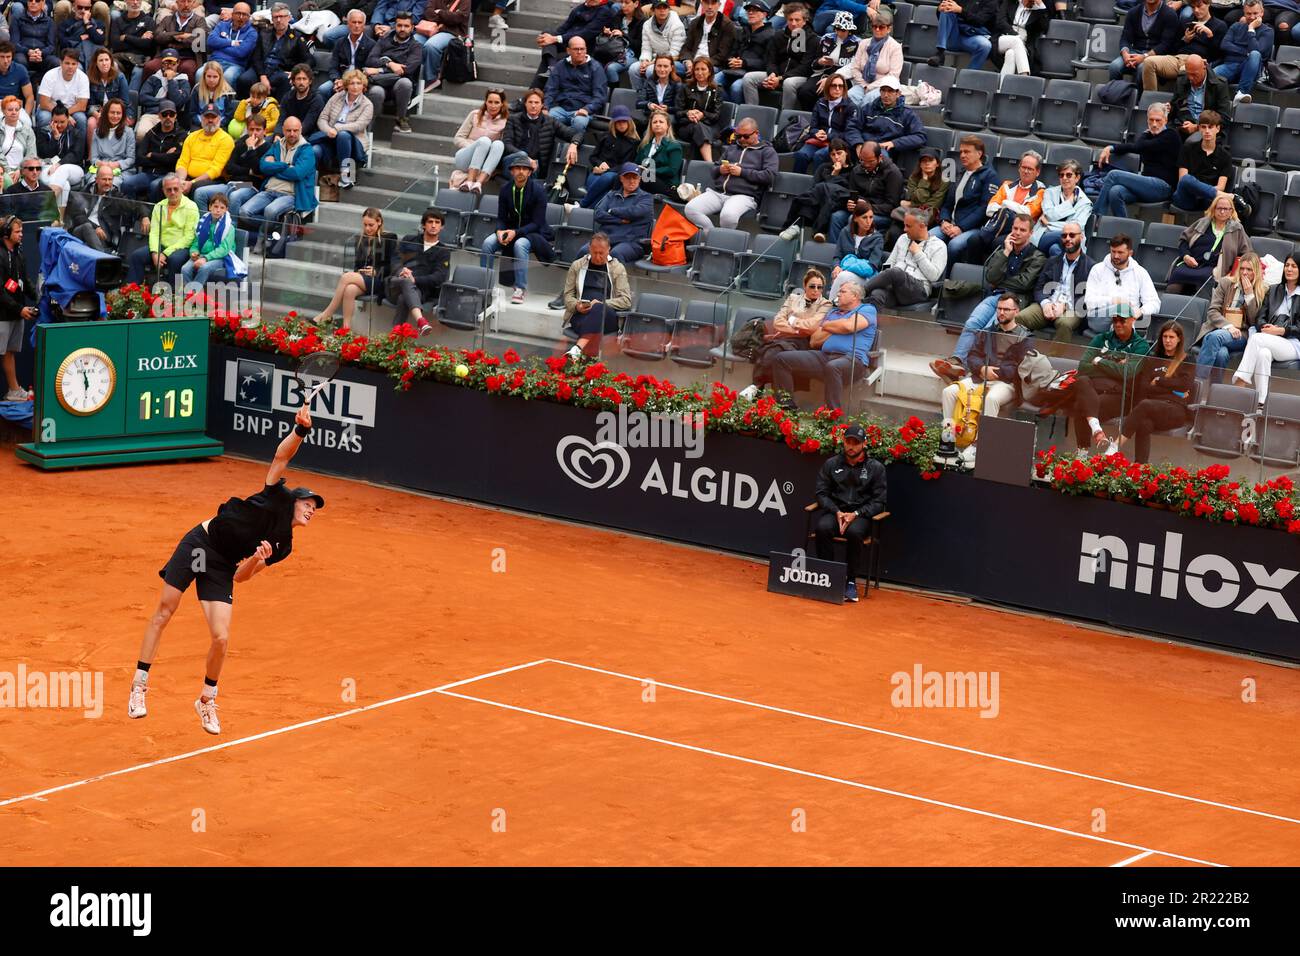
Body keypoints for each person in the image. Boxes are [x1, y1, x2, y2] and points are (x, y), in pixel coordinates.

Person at [129, 398, 324, 735]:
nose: (311, 510)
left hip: (222, 566)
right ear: (294, 501)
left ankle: (206, 700)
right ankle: (139, 685)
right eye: (308, 504)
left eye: (315, 509)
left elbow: (240, 577)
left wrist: (255, 559)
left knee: (221, 637)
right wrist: (300, 431)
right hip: (200, 544)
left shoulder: (284, 546)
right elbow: (282, 456)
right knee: (165, 610)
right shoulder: (278, 495)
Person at [931, 214, 1046, 382]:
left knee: (987, 329)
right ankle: (957, 362)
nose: (1017, 233)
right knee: (973, 323)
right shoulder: (1003, 250)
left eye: (1023, 230)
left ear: (1030, 233)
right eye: (1015, 228)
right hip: (996, 296)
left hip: (1016, 300)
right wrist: (1006, 252)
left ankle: (972, 368)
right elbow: (991, 277)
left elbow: (1024, 283)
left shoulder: (1038, 256)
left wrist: (1000, 281)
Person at [771, 278, 877, 412]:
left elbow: (850, 326)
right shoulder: (833, 312)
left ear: (855, 296)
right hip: (825, 357)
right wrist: (838, 327)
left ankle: (831, 416)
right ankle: (786, 406)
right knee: (781, 359)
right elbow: (814, 340)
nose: (838, 294)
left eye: (842, 291)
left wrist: (827, 326)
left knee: (833, 367)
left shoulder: (867, 309)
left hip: (853, 360)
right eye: (839, 291)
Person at [810, 421, 887, 604]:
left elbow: (879, 502)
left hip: (860, 516)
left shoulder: (876, 468)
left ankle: (850, 581)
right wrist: (836, 511)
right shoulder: (831, 464)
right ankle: (828, 575)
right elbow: (821, 493)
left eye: (856, 442)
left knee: (854, 533)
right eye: (848, 442)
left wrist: (857, 514)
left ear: (864, 444)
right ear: (843, 442)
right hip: (835, 512)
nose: (851, 446)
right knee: (822, 528)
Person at [939, 293, 1032, 441]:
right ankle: (949, 439)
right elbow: (972, 356)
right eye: (999, 309)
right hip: (980, 377)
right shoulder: (988, 332)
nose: (1001, 312)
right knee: (949, 392)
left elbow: (1021, 368)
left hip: (1006, 384)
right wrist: (982, 369)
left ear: (1016, 311)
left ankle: (981, 445)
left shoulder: (1025, 337)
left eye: (1006, 309)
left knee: (991, 399)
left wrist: (996, 372)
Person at [1066, 308, 1154, 452]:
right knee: (1082, 380)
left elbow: (1129, 373)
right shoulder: (1101, 338)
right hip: (1094, 390)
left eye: (1122, 320)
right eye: (1115, 320)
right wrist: (1115, 367)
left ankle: (1082, 454)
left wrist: (1100, 361)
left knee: (1081, 406)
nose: (1118, 324)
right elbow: (1083, 366)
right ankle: (1096, 430)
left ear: (1132, 320)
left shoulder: (1141, 345)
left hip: (1121, 396)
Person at [738, 268, 833, 400]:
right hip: (785, 337)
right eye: (812, 286)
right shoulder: (793, 298)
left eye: (820, 287)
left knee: (773, 352)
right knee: (768, 351)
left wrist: (792, 320)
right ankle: (770, 397)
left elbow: (812, 326)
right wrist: (797, 330)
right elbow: (778, 322)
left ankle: (757, 387)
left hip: (803, 343)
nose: (816, 290)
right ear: (805, 286)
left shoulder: (825, 304)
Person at [1108, 320, 1196, 460]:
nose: (1167, 340)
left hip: (1175, 410)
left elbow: (1184, 384)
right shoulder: (1152, 359)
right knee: (1144, 423)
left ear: (1179, 339)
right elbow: (1145, 387)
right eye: (1165, 337)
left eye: (1171, 337)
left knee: (1145, 405)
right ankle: (1140, 468)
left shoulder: (1187, 359)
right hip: (1152, 408)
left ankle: (1114, 447)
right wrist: (1171, 388)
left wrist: (1159, 381)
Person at [480, 150, 555, 305]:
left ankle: (520, 288)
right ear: (512, 171)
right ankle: (484, 285)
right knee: (488, 243)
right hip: (509, 229)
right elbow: (501, 217)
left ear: (529, 172)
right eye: (518, 168)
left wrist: (516, 232)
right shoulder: (505, 189)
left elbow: (538, 222)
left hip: (532, 233)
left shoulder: (539, 191)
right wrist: (500, 231)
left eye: (524, 169)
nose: (521, 171)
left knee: (520, 245)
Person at [683, 115, 777, 231]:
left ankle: (720, 239)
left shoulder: (767, 151)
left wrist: (742, 172)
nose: (742, 139)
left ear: (756, 133)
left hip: (744, 196)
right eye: (738, 136)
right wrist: (720, 169)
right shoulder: (732, 148)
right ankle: (712, 235)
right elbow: (713, 170)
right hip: (718, 193)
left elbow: (769, 176)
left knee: (728, 216)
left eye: (746, 136)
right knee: (691, 208)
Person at [310, 206, 397, 331]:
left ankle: (327, 314)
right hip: (364, 279)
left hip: (380, 280)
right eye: (365, 225)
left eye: (371, 225)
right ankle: (346, 329)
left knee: (345, 277)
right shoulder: (360, 239)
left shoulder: (389, 238)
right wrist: (359, 272)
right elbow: (357, 265)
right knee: (350, 289)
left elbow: (394, 265)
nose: (367, 228)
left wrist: (376, 271)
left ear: (379, 222)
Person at [1230, 256, 1300, 407]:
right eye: (1287, 265)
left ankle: (1240, 382)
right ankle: (1261, 402)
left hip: (1293, 344)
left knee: (1256, 339)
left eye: (1294, 266)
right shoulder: (1274, 289)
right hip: (1269, 337)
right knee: (1263, 354)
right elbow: (1259, 317)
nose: (1288, 269)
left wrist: (1281, 331)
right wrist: (1265, 328)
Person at [960, 148, 1045, 265]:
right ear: (1019, 168)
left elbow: (1027, 213)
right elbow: (990, 209)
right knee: (974, 240)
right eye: (1024, 167)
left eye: (1030, 169)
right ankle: (972, 275)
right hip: (995, 226)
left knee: (999, 244)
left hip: (1019, 232)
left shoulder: (1041, 191)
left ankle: (990, 279)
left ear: (1037, 172)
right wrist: (1012, 210)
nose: (1026, 171)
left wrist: (1005, 204)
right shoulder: (1007, 185)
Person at [1093, 103, 1181, 218]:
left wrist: (1145, 133)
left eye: (1158, 120)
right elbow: (1135, 146)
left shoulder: (1171, 135)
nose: (1154, 124)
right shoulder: (1149, 136)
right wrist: (1111, 148)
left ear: (1165, 120)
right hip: (1145, 186)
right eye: (1151, 120)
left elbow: (1140, 146)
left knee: (1114, 175)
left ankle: (1095, 217)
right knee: (1115, 191)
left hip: (1163, 187)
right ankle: (1122, 231)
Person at [243, 114, 316, 250]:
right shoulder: (277, 145)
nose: (292, 134)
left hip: (290, 194)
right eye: (288, 130)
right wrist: (285, 165)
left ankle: (261, 238)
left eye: (295, 130)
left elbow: (297, 173)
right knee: (244, 212)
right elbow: (263, 167)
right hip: (269, 190)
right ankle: (274, 226)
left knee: (270, 211)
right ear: (283, 130)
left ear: (301, 130)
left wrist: (275, 166)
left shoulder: (307, 150)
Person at [557, 231, 633, 360]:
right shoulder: (577, 266)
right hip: (581, 315)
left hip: (607, 317)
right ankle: (588, 365)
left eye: (601, 253)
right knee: (594, 317)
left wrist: (602, 303)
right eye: (594, 252)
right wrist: (577, 305)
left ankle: (578, 348)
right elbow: (568, 295)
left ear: (608, 250)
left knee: (598, 309)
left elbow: (626, 300)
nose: (598, 257)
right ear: (589, 249)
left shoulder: (617, 268)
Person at [930, 133, 998, 271]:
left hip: (973, 228)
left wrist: (961, 227)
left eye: (967, 152)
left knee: (954, 246)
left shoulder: (990, 176)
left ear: (979, 154)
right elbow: (947, 204)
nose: (962, 155)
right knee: (928, 238)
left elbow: (984, 209)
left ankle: (948, 281)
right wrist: (944, 221)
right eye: (961, 152)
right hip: (950, 224)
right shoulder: (960, 174)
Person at [1016, 221, 1090, 346]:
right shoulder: (1052, 261)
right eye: (1064, 236)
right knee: (1020, 317)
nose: (1067, 239)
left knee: (1064, 324)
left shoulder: (1090, 266)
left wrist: (1065, 306)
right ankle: (1018, 354)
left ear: (1081, 237)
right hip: (1047, 303)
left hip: (1072, 308)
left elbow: (1088, 297)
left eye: (1072, 235)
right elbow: (1039, 287)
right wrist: (1045, 304)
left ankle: (1054, 361)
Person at [1197, 250, 1267, 379]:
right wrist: (1228, 326)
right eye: (1242, 269)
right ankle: (1215, 390)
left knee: (1215, 337)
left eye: (1249, 270)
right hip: (1220, 328)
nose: (1244, 273)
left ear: (1256, 272)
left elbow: (1254, 322)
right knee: (1221, 354)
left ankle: (1197, 383)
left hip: (1242, 334)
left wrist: (1249, 295)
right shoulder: (1225, 283)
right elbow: (1213, 310)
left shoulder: (1263, 291)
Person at [861, 208, 947, 310]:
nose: (904, 229)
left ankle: (859, 291)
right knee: (877, 294)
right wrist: (882, 281)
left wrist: (918, 254)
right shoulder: (903, 238)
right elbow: (889, 263)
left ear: (922, 226)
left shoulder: (939, 246)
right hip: (896, 286)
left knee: (896, 272)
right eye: (904, 225)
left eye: (908, 226)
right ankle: (867, 321)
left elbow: (934, 276)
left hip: (918, 290)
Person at [1165, 193, 1251, 294]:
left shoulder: (1237, 228)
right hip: (1191, 264)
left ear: (1231, 211)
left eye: (1226, 209)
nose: (1222, 211)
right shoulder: (1202, 223)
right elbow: (1184, 241)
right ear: (1213, 209)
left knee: (1204, 283)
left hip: (1214, 268)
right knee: (1174, 283)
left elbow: (1246, 253)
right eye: (1219, 208)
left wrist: (1232, 272)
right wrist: (1186, 256)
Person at [740, 1, 816, 108]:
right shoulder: (779, 35)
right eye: (790, 20)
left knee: (789, 83)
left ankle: (785, 118)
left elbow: (805, 67)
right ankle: (753, 112)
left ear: (804, 21)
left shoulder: (812, 39)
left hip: (799, 77)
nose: (793, 23)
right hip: (777, 75)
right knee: (749, 78)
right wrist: (772, 74)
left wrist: (780, 78)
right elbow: (771, 59)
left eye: (797, 20)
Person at [127, 171, 197, 283]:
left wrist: (165, 253)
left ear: (181, 188)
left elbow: (189, 237)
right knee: (137, 256)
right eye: (169, 189)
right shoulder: (159, 206)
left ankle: (172, 295)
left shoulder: (191, 207)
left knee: (174, 260)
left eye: (175, 189)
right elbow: (154, 233)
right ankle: (132, 292)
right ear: (163, 191)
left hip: (181, 248)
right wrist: (155, 253)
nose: (172, 192)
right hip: (161, 246)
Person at [388, 206, 448, 334]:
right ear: (423, 225)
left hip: (419, 291)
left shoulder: (443, 251)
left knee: (404, 298)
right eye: (430, 222)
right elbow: (395, 259)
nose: (433, 225)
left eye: (437, 223)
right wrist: (402, 271)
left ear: (441, 227)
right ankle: (421, 321)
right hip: (395, 284)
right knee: (405, 282)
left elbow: (440, 276)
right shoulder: (409, 240)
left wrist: (415, 279)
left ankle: (395, 337)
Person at [1141, 1, 1227, 91]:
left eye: (1199, 6)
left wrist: (1210, 36)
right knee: (1148, 62)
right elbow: (1172, 48)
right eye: (1193, 7)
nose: (1196, 10)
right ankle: (1150, 99)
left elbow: (1218, 55)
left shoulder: (1219, 26)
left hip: (1198, 61)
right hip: (1178, 58)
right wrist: (1184, 40)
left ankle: (1180, 102)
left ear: (1208, 4)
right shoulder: (1186, 22)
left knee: (1186, 71)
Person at [828, 140, 902, 243]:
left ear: (880, 157)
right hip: (860, 209)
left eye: (870, 161)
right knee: (836, 217)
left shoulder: (892, 173)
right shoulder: (857, 170)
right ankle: (834, 253)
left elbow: (892, 206)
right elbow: (852, 194)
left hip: (882, 214)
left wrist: (867, 207)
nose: (866, 164)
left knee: (853, 219)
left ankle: (852, 253)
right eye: (862, 161)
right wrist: (850, 204)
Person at [780, 137, 852, 241]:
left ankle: (796, 226)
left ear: (846, 153)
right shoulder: (824, 168)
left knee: (823, 190)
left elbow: (846, 193)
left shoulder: (852, 171)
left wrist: (834, 177)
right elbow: (814, 189)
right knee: (815, 194)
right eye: (833, 154)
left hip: (839, 203)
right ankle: (808, 229)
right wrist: (834, 174)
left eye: (839, 153)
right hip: (819, 202)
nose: (836, 157)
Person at [501, 86, 579, 180]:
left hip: (535, 168)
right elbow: (507, 144)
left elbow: (577, 134)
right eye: (530, 102)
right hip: (513, 162)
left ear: (542, 105)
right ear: (525, 103)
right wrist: (524, 157)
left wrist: (574, 144)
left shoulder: (550, 122)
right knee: (522, 159)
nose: (533, 105)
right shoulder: (513, 119)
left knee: (529, 170)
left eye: (536, 102)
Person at [533, 0, 620, 82]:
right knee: (548, 33)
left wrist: (555, 39)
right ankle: (551, 67)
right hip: (567, 44)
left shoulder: (605, 11)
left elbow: (586, 33)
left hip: (582, 48)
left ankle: (549, 70)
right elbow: (564, 27)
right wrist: (546, 39)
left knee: (547, 59)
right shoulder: (580, 8)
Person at [203, 110, 269, 218]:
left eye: (258, 129)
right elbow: (229, 167)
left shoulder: (268, 148)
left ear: (264, 131)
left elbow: (258, 170)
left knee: (234, 195)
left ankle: (231, 227)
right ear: (247, 129)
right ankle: (207, 222)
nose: (254, 133)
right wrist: (248, 171)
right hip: (231, 182)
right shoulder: (241, 143)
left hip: (251, 185)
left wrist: (251, 148)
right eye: (251, 129)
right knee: (200, 193)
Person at [313, 69, 372, 188]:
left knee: (344, 135)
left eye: (358, 83)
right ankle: (308, 181)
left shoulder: (367, 105)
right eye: (352, 83)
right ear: (346, 85)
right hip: (331, 138)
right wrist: (328, 130)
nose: (355, 87)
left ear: (363, 86)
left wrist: (337, 128)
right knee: (315, 150)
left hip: (354, 143)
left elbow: (358, 125)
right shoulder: (337, 97)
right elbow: (322, 118)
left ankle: (346, 174)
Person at [365, 11, 421, 135]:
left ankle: (400, 119)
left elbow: (407, 70)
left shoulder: (416, 46)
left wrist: (379, 70)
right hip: (380, 84)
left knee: (405, 82)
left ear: (412, 28)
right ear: (394, 26)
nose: (402, 29)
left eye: (406, 26)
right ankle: (368, 129)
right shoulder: (384, 41)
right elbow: (370, 60)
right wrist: (390, 64)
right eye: (399, 25)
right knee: (376, 92)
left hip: (398, 86)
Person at [792, 9, 860, 112]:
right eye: (836, 28)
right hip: (823, 72)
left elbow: (853, 68)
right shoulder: (826, 39)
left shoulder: (857, 43)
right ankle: (809, 116)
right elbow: (813, 64)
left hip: (845, 77)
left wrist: (831, 79)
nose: (839, 32)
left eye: (843, 29)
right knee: (805, 91)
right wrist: (820, 62)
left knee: (829, 93)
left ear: (850, 30)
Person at [573, 105, 639, 211]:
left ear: (629, 122)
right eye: (618, 122)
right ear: (614, 123)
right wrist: (599, 164)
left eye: (624, 121)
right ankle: (585, 211)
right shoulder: (605, 137)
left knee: (608, 179)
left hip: (615, 175)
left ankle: (581, 205)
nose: (621, 124)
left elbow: (626, 165)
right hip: (597, 172)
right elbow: (593, 157)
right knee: (600, 188)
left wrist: (606, 170)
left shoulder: (633, 143)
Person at [843, 75, 925, 160]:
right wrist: (858, 144)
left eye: (890, 91)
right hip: (863, 144)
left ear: (898, 94)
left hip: (883, 150)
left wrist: (894, 143)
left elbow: (920, 137)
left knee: (881, 156)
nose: (886, 95)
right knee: (837, 149)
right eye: (883, 91)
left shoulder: (908, 114)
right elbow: (852, 127)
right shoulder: (867, 108)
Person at [0, 213, 36, 401]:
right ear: (6, 233)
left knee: (9, 351)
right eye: (18, 231)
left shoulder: (19, 252)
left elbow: (25, 281)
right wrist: (19, 309)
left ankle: (13, 390)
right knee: (4, 352)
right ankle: (13, 389)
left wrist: (37, 297)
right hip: (3, 314)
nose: (22, 234)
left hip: (14, 312)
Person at [1169, 111, 1235, 213]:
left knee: (1212, 197)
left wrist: (1203, 191)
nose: (1207, 131)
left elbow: (1221, 187)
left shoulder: (1225, 156)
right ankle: (1229, 197)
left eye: (1210, 127)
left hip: (1207, 200)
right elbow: (1182, 180)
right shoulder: (1187, 148)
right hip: (1187, 197)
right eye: (1203, 127)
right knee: (1186, 179)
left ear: (1218, 128)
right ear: (1199, 128)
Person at [544, 35, 608, 137]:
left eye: (582, 49)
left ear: (586, 49)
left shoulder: (596, 68)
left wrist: (587, 109)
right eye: (576, 49)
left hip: (583, 109)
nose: (579, 52)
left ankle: (574, 148)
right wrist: (545, 107)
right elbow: (550, 89)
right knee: (545, 119)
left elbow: (600, 96)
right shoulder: (560, 65)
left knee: (579, 122)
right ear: (568, 50)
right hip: (562, 108)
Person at [180, 191, 245, 292]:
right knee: (185, 269)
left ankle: (193, 296)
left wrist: (206, 258)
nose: (218, 210)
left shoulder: (229, 227)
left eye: (222, 208)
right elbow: (196, 242)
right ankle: (191, 295)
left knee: (204, 268)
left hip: (220, 258)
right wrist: (193, 252)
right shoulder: (202, 222)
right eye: (215, 206)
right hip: (202, 255)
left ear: (226, 210)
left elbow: (224, 249)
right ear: (210, 207)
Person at [884, 146, 946, 247]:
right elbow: (914, 197)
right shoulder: (914, 177)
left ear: (937, 163)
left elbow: (934, 203)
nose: (927, 163)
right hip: (907, 217)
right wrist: (924, 180)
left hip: (926, 219)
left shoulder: (944, 181)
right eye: (923, 161)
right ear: (920, 164)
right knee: (894, 233)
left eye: (930, 160)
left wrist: (912, 203)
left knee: (917, 236)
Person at [248, 3, 311, 100]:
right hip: (261, 70)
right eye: (275, 17)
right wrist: (262, 76)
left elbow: (309, 60)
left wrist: (295, 72)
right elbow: (256, 57)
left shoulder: (297, 37)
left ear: (289, 18)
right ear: (272, 19)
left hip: (279, 71)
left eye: (282, 16)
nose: (278, 20)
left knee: (285, 80)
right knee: (244, 79)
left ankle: (279, 111)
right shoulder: (264, 33)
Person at [1110, 0, 1182, 84]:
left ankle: (1138, 96)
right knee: (1114, 66)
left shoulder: (1170, 14)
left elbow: (1165, 44)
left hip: (1156, 56)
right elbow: (1125, 38)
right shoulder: (1133, 12)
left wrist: (1144, 56)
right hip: (1135, 52)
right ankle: (1115, 94)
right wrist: (1125, 54)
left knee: (1143, 69)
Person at [793, 73, 851, 175]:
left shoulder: (850, 107)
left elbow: (848, 133)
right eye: (834, 85)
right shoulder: (820, 103)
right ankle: (795, 187)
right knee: (801, 155)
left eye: (840, 86)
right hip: (818, 140)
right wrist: (816, 133)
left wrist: (828, 136)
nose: (837, 89)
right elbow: (813, 127)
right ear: (828, 87)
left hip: (837, 143)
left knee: (819, 155)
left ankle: (817, 186)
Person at [123, 96, 180, 198]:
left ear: (175, 116)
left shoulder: (181, 134)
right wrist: (164, 156)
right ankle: (131, 211)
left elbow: (174, 159)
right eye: (164, 114)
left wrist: (152, 155)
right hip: (148, 174)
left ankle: (152, 213)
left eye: (171, 114)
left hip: (167, 175)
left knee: (154, 186)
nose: (168, 117)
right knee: (127, 183)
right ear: (159, 116)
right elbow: (140, 158)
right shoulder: (151, 133)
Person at [176, 102, 235, 201]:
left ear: (219, 119)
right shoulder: (192, 136)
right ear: (201, 118)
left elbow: (216, 170)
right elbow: (182, 162)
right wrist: (181, 180)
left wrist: (192, 183)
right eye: (207, 117)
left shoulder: (226, 139)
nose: (210, 120)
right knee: (166, 182)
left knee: (196, 188)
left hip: (214, 180)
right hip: (187, 178)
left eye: (213, 117)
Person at [1033, 160, 1091, 259]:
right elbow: (1050, 214)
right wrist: (1069, 204)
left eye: (1068, 175)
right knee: (1065, 235)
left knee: (1055, 250)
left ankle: (1058, 274)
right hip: (1044, 235)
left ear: (1077, 178)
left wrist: (1049, 224)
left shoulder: (1085, 202)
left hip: (1062, 237)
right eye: (1061, 175)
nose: (1064, 178)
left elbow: (1077, 226)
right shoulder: (1049, 192)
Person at [1218, 1, 1272, 106]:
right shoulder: (1236, 26)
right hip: (1230, 65)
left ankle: (1242, 92)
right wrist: (1245, 52)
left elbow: (1258, 51)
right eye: (1248, 13)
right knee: (1211, 76)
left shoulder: (1268, 31)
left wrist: (1251, 29)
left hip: (1251, 68)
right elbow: (1224, 44)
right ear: (1244, 13)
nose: (1252, 17)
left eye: (1255, 13)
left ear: (1262, 13)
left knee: (1255, 55)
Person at [64, 161, 126, 250]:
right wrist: (95, 228)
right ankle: (103, 259)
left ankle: (101, 255)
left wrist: (144, 217)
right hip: (80, 231)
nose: (107, 183)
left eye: (110, 179)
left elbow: (133, 205)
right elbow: (78, 217)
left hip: (103, 236)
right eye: (104, 179)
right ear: (96, 179)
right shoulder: (84, 193)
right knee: (87, 227)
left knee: (94, 233)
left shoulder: (116, 196)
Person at [848, 8, 902, 108]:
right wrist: (864, 85)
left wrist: (870, 87)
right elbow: (855, 68)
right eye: (874, 26)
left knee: (869, 99)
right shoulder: (863, 43)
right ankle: (852, 122)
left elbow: (893, 75)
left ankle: (861, 121)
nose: (877, 29)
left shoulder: (895, 47)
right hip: (862, 84)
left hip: (885, 87)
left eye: (881, 27)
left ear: (888, 29)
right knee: (850, 95)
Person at [828, 204, 883, 300]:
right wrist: (836, 267)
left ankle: (829, 307)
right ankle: (835, 307)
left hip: (867, 278)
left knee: (842, 276)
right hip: (845, 273)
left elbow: (871, 267)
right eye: (864, 217)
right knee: (839, 275)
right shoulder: (845, 232)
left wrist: (846, 268)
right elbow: (837, 256)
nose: (868, 221)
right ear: (855, 218)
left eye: (871, 217)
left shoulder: (877, 238)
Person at [35, 103, 82, 211]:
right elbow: (44, 154)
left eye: (62, 122)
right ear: (51, 120)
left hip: (73, 168)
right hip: (48, 166)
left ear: (68, 120)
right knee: (64, 185)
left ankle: (44, 208)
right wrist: (55, 139)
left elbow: (76, 155)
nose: (59, 125)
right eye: (56, 122)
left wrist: (59, 164)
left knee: (63, 169)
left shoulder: (76, 133)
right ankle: (59, 220)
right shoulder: (43, 132)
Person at [723, 1, 773, 103]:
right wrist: (732, 60)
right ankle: (729, 111)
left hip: (753, 72)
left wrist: (744, 63)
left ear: (764, 14)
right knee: (713, 82)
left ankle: (738, 115)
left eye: (755, 11)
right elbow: (732, 52)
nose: (750, 13)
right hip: (735, 70)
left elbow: (768, 62)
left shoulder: (771, 35)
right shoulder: (743, 31)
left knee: (736, 87)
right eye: (749, 10)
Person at [673, 55, 721, 161]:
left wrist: (702, 115)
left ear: (710, 72)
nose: (699, 72)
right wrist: (688, 113)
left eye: (703, 69)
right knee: (698, 127)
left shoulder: (716, 90)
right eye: (697, 69)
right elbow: (677, 112)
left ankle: (697, 168)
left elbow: (716, 116)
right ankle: (709, 163)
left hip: (710, 127)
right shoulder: (685, 88)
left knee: (700, 129)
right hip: (687, 126)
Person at [929, 0, 1001, 71]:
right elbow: (943, 15)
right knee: (947, 9)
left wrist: (960, 10)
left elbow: (979, 21)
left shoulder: (992, 2)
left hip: (972, 36)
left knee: (985, 45)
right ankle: (940, 53)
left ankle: (969, 77)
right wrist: (939, 9)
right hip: (952, 35)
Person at [1168, 56, 1233, 134]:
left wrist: (1197, 127)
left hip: (1207, 130)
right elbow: (1174, 107)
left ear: (1204, 68)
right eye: (1188, 74)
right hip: (1183, 125)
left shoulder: (1219, 85)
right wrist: (1168, 109)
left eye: (1194, 74)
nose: (1190, 78)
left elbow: (1224, 118)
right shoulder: (1182, 79)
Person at [416, 0, 469, 94]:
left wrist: (439, 12)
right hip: (430, 30)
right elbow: (428, 13)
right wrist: (448, 16)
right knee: (414, 42)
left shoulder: (465, 1)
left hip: (451, 32)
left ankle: (431, 79)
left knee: (431, 46)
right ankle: (411, 76)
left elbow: (458, 18)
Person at [138, 49, 192, 140]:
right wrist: (163, 101)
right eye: (166, 63)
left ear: (178, 63)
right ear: (162, 64)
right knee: (141, 133)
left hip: (171, 116)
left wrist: (171, 80)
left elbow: (178, 102)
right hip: (152, 114)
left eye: (172, 63)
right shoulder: (154, 78)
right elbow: (143, 98)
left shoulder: (183, 80)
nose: (169, 66)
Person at [321, 8, 373, 101]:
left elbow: (368, 70)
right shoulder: (340, 42)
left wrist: (348, 83)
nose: (357, 25)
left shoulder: (371, 44)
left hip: (359, 81)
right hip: (340, 78)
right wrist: (336, 80)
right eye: (354, 22)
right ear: (348, 24)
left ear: (364, 25)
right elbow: (333, 66)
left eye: (360, 22)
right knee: (323, 89)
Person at [149, 0, 205, 81]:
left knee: (188, 69)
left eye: (189, 1)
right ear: (177, 2)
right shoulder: (167, 19)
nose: (186, 5)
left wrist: (168, 36)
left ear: (193, 3)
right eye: (182, 1)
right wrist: (180, 35)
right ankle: (146, 92)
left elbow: (201, 40)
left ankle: (187, 93)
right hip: (164, 56)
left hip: (187, 57)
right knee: (150, 67)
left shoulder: (199, 20)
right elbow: (157, 36)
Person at [678, 0, 735, 79]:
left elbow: (723, 55)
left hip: (713, 65)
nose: (710, 7)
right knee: (664, 67)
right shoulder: (695, 22)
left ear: (719, 5)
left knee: (702, 74)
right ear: (701, 4)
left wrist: (700, 65)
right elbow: (686, 47)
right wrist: (687, 60)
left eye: (713, 3)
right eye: (707, 3)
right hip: (691, 63)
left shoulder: (727, 25)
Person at [35, 47, 88, 130]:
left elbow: (82, 105)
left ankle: (77, 143)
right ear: (61, 63)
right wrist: (63, 116)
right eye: (67, 63)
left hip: (72, 110)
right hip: (50, 109)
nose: (70, 67)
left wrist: (65, 115)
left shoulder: (83, 78)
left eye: (73, 64)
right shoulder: (50, 75)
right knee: (44, 117)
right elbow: (44, 103)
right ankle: (43, 143)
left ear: (77, 65)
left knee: (81, 119)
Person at [206, 2, 257, 88]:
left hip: (235, 64)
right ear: (232, 14)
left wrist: (219, 46)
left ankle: (226, 101)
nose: (241, 17)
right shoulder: (222, 25)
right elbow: (210, 41)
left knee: (228, 76)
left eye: (244, 14)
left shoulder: (252, 33)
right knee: (200, 73)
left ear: (249, 17)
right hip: (215, 61)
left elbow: (241, 52)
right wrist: (231, 43)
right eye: (238, 13)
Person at [634, 110, 682, 198]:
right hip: (645, 179)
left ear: (668, 126)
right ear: (651, 126)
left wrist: (649, 171)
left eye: (661, 122)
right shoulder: (645, 145)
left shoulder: (674, 146)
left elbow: (672, 170)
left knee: (646, 177)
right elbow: (637, 162)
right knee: (625, 175)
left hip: (667, 185)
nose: (657, 124)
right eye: (655, 122)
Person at [634, 0, 686, 82]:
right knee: (633, 69)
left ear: (669, 9)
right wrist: (645, 61)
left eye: (665, 7)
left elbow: (675, 53)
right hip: (653, 60)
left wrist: (653, 63)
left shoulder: (677, 25)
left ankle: (657, 94)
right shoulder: (646, 25)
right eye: (659, 8)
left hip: (673, 61)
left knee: (651, 70)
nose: (662, 10)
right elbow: (646, 49)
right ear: (653, 10)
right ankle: (641, 94)